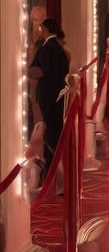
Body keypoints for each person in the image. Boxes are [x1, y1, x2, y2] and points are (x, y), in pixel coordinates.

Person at [28, 17, 70, 178]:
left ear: (45, 30)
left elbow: (40, 71)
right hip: (59, 96)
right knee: (56, 130)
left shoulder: (45, 49)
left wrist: (30, 71)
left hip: (47, 96)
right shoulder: (60, 50)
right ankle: (59, 168)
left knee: (49, 133)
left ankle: (52, 170)